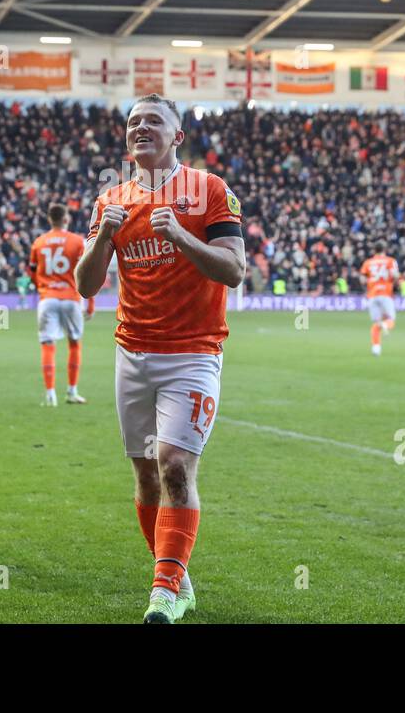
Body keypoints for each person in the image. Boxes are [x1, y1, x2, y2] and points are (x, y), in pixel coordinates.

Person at [75, 94, 245, 624]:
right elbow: (84, 284)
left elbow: (233, 270)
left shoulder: (210, 190)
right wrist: (103, 234)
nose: (140, 128)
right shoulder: (111, 200)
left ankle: (163, 595)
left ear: (178, 136)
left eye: (153, 121)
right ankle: (178, 577)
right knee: (147, 477)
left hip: (193, 353)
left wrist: (179, 236)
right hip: (133, 351)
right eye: (133, 122)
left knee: (175, 466)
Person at [29, 203, 95, 406]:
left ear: (50, 219)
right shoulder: (76, 241)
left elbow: (32, 271)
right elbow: (88, 272)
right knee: (74, 343)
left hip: (47, 298)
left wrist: (42, 286)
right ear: (66, 219)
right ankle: (72, 391)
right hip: (71, 298)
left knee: (48, 344)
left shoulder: (39, 242)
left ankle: (50, 395)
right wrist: (90, 301)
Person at [359, 244, 400, 356]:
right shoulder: (390, 261)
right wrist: (395, 282)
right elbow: (395, 275)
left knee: (376, 323)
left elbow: (362, 279)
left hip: (372, 295)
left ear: (374, 251)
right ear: (384, 250)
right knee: (390, 320)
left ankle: (376, 348)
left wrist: (371, 283)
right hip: (386, 294)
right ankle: (385, 325)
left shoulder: (368, 262)